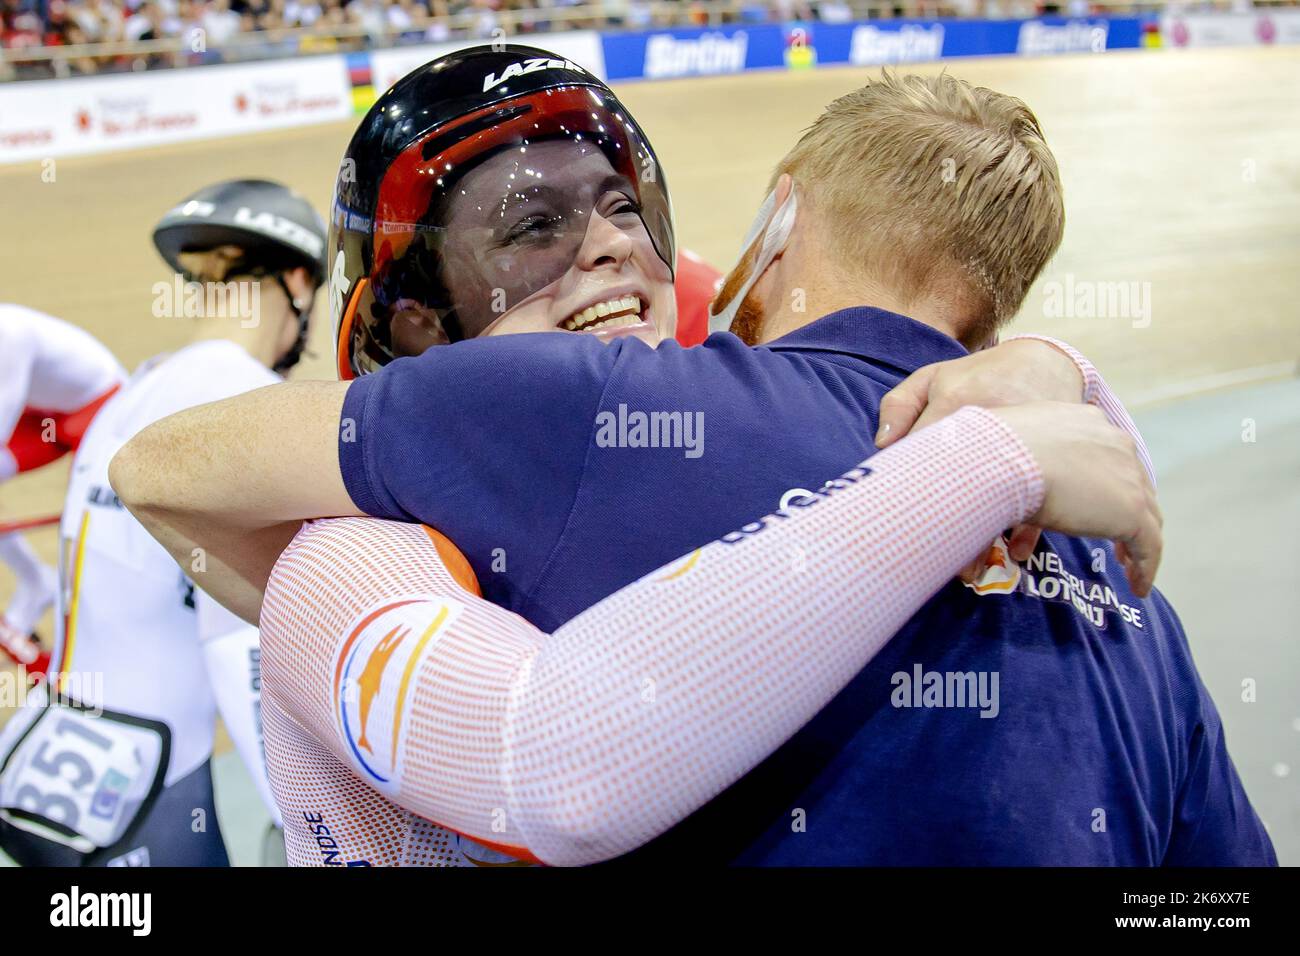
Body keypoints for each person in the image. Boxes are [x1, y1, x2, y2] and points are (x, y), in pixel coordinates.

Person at [114, 54, 1271, 864]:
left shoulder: (634, 420)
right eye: (529, 229)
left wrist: (1040, 373)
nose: (610, 240)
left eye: (627, 210)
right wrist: (998, 446)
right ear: (412, 326)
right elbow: (554, 765)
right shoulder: (375, 538)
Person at [0, 179, 326, 867]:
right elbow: (241, 650)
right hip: (152, 795)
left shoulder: (135, 388)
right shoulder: (249, 399)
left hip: (39, 760)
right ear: (298, 281)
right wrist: (308, 827)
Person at [0, 304, 125, 676]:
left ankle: (94, 630)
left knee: (89, 522)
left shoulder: (8, 335)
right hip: (43, 415)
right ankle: (36, 580)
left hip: (99, 409)